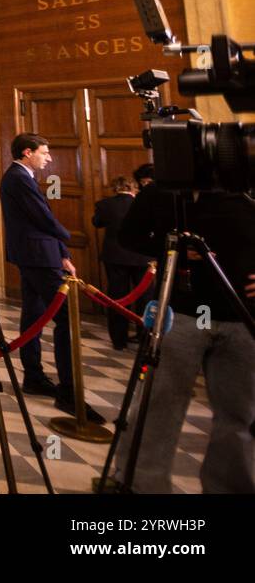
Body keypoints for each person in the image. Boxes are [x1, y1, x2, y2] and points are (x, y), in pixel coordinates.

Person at [109, 183, 255, 493]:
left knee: (240, 412)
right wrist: (168, 246)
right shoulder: (165, 188)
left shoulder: (247, 189)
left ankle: (231, 486)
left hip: (242, 315)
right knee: (161, 403)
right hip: (181, 310)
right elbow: (129, 236)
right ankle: (141, 483)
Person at [0, 133, 105, 422]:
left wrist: (62, 252)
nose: (49, 158)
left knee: (33, 316)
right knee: (66, 321)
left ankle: (34, 376)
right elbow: (42, 217)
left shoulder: (23, 176)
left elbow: (41, 216)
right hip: (36, 255)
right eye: (43, 153)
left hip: (38, 253)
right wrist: (66, 235)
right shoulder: (18, 178)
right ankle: (69, 392)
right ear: (26, 152)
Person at [92, 175, 153, 350]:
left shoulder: (105, 204)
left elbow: (97, 223)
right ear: (133, 188)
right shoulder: (143, 204)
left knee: (117, 297)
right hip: (142, 256)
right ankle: (145, 337)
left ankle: (119, 339)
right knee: (145, 298)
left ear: (115, 188)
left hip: (115, 257)